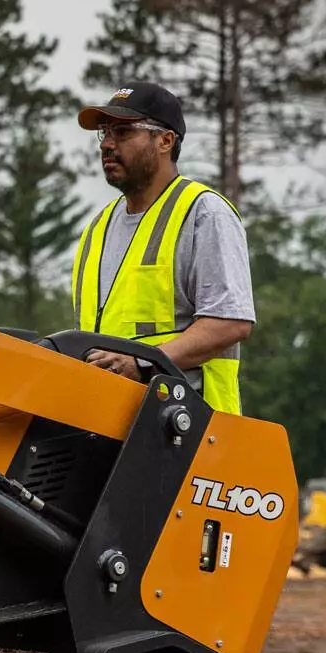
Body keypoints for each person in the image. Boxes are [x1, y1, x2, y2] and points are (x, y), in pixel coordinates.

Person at [69, 82, 253, 416]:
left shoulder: (204, 213)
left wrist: (141, 363)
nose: (107, 145)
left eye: (123, 132)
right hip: (108, 426)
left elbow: (230, 323)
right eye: (105, 133)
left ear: (165, 141)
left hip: (190, 430)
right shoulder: (98, 227)